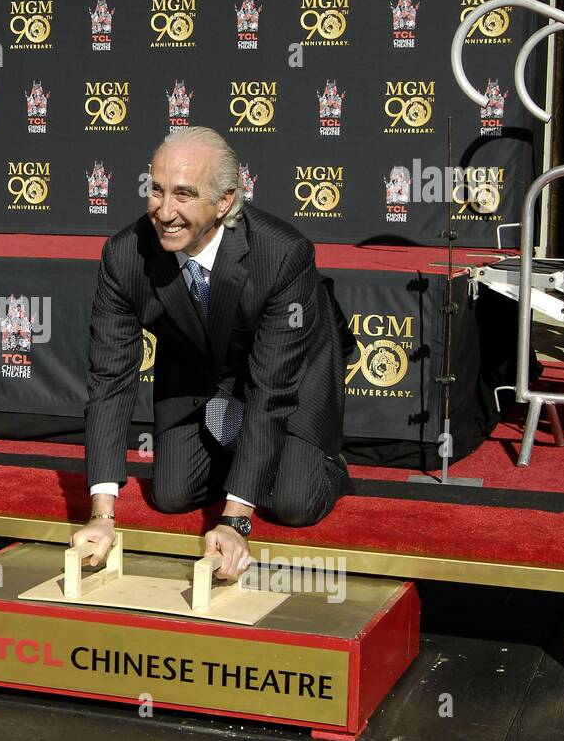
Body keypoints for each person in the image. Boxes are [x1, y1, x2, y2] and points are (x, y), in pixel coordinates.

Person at [72, 128, 354, 580]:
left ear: (224, 202)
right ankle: (242, 459)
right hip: (201, 376)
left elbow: (271, 388)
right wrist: (102, 514)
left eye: (184, 194)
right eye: (157, 190)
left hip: (288, 376)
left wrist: (235, 519)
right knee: (171, 496)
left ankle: (326, 463)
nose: (165, 211)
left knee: (292, 503)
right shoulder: (125, 256)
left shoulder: (282, 254)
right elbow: (111, 378)